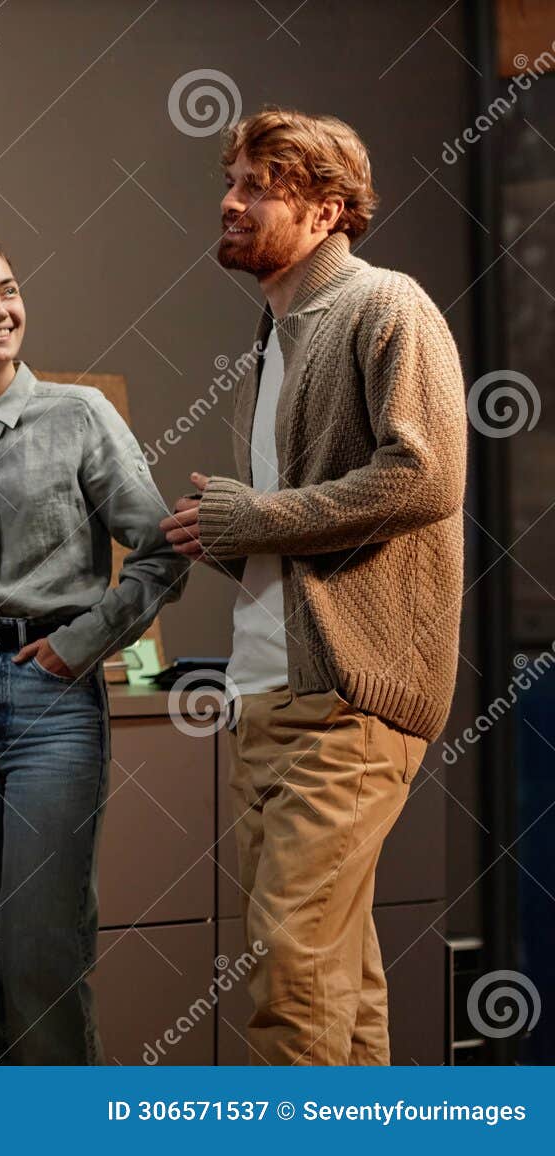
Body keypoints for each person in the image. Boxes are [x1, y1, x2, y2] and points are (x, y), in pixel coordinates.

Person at [160, 107, 466, 1065]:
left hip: (345, 698)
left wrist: (253, 518)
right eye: (233, 181)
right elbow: (312, 514)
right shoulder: (279, 333)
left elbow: (426, 477)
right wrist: (228, 531)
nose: (231, 201)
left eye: (260, 186)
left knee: (292, 987)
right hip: (269, 696)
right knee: (338, 976)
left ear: (329, 210)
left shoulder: (387, 306)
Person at [0, 237, 188, 1064]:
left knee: (42, 949)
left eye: (9, 290)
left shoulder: (79, 416)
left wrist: (79, 646)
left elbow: (161, 553)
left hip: (51, 695)